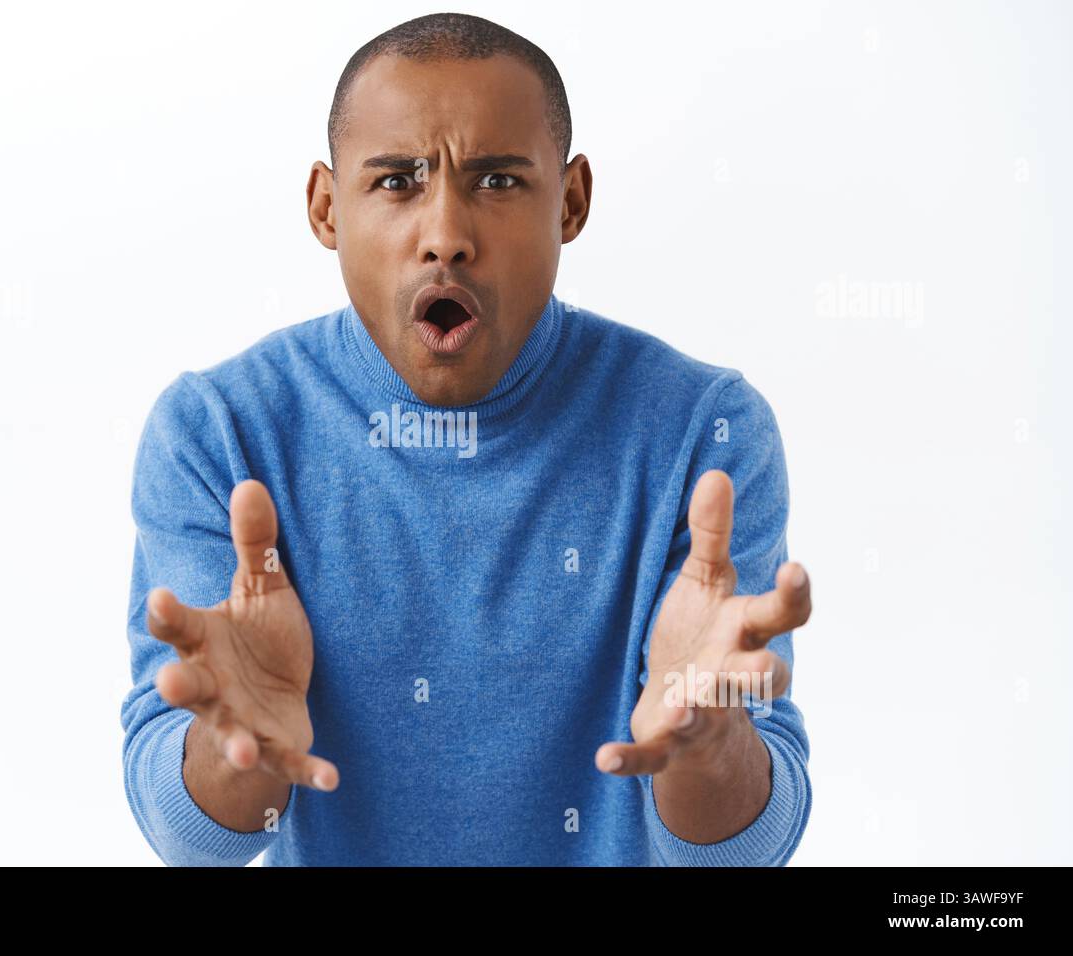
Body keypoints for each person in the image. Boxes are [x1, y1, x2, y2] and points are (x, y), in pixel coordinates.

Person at [120, 11, 813, 866]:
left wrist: (707, 746)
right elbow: (187, 838)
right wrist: (241, 748)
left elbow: (745, 851)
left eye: (497, 181)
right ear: (326, 207)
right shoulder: (218, 433)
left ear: (572, 201)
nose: (445, 234)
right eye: (397, 181)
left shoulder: (704, 435)